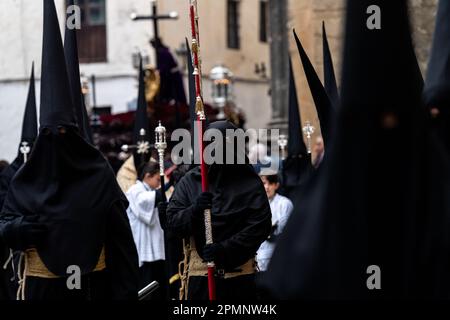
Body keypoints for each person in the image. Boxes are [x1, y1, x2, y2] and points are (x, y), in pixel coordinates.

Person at [0, 0, 139, 300]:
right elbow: (5, 226)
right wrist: (20, 229)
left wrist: (126, 292)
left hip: (91, 290)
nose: (56, 140)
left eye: (63, 133)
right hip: (40, 292)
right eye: (49, 135)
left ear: (75, 137)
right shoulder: (26, 179)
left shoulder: (98, 175)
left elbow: (121, 243)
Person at [167, 120, 272, 300]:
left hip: (240, 282)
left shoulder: (249, 182)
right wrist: (195, 210)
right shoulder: (191, 182)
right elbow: (173, 223)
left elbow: (260, 226)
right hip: (201, 281)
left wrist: (225, 249)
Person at [126, 162, 166, 299]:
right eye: (157, 180)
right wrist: (167, 186)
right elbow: (145, 203)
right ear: (147, 176)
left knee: (158, 288)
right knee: (146, 288)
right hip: (143, 248)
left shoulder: (149, 191)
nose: (159, 184)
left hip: (155, 249)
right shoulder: (135, 190)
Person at [256, 174, 293, 273]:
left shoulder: (285, 204)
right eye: (264, 183)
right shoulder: (256, 205)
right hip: (259, 259)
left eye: (270, 183)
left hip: (278, 257)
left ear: (276, 185)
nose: (267, 187)